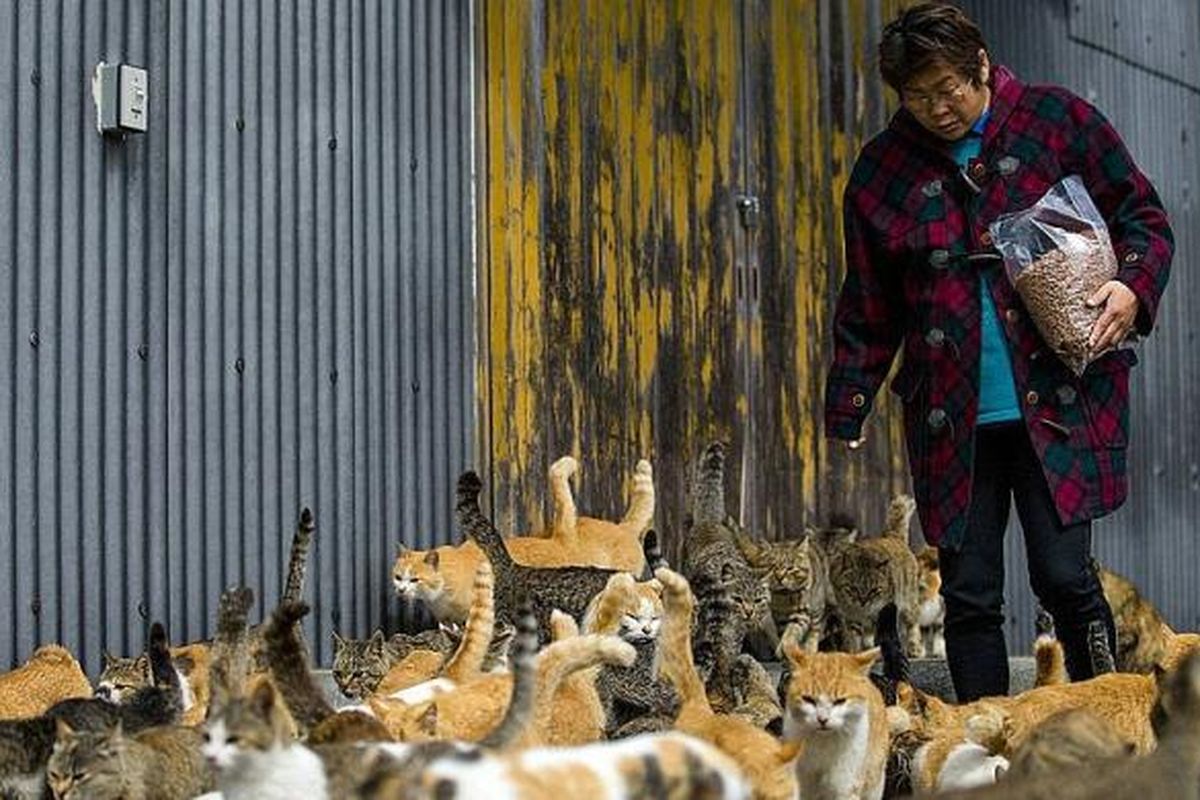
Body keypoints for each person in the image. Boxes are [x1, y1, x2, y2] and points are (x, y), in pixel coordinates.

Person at [823, 3, 1173, 701]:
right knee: (970, 590)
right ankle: (984, 742)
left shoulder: (1058, 121)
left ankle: (1102, 724)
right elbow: (868, 301)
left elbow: (1143, 217)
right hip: (952, 418)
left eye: (948, 86)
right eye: (918, 96)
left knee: (1066, 577)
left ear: (980, 65)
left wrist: (1132, 287)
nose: (938, 108)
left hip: (1061, 398)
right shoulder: (882, 171)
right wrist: (851, 401)